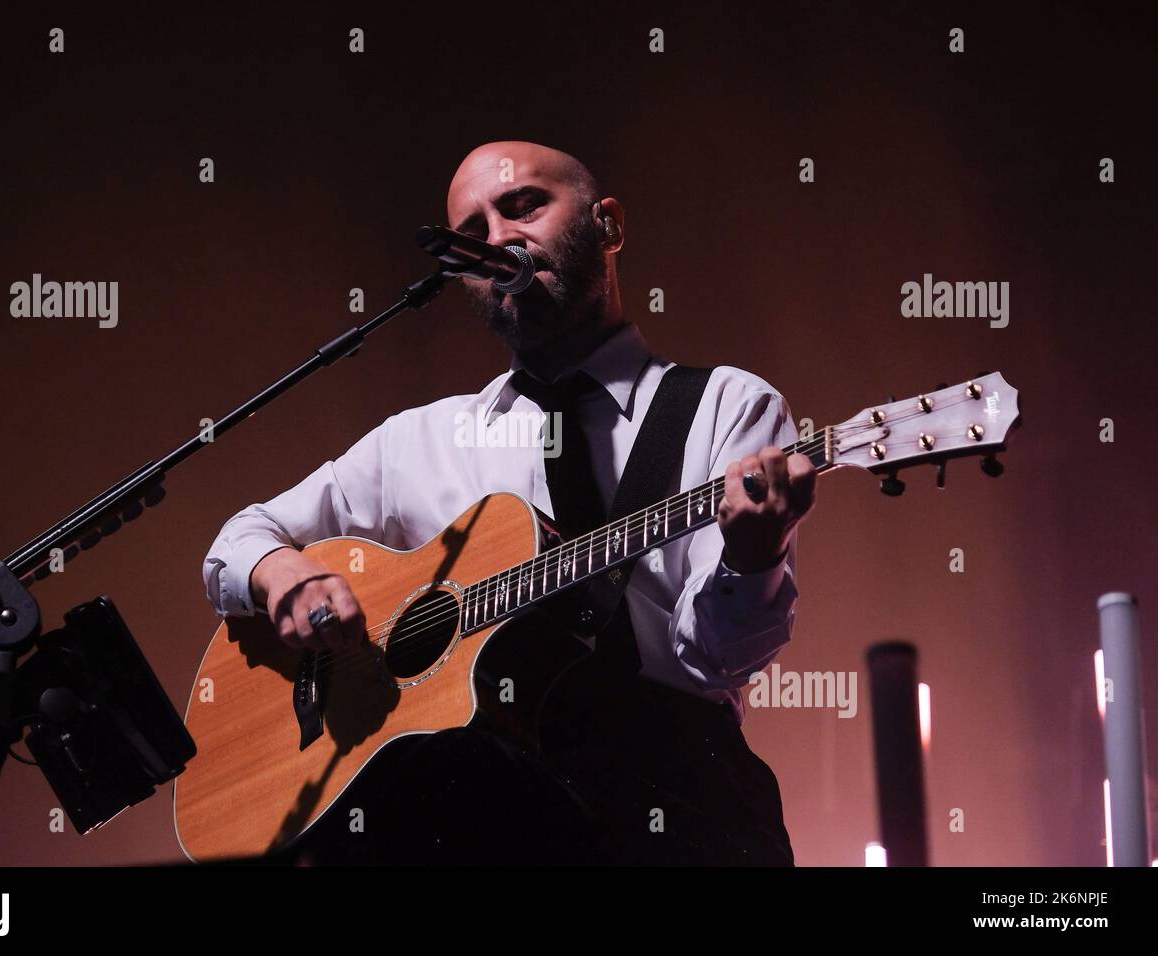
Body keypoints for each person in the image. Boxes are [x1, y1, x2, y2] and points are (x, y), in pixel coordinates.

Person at [202, 140, 817, 865]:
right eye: (470, 238)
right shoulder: (421, 439)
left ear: (608, 226)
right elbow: (239, 540)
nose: (497, 239)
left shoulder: (722, 405)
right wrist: (288, 577)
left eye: (523, 206)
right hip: (467, 820)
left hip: (675, 805)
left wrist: (755, 555)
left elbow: (714, 664)